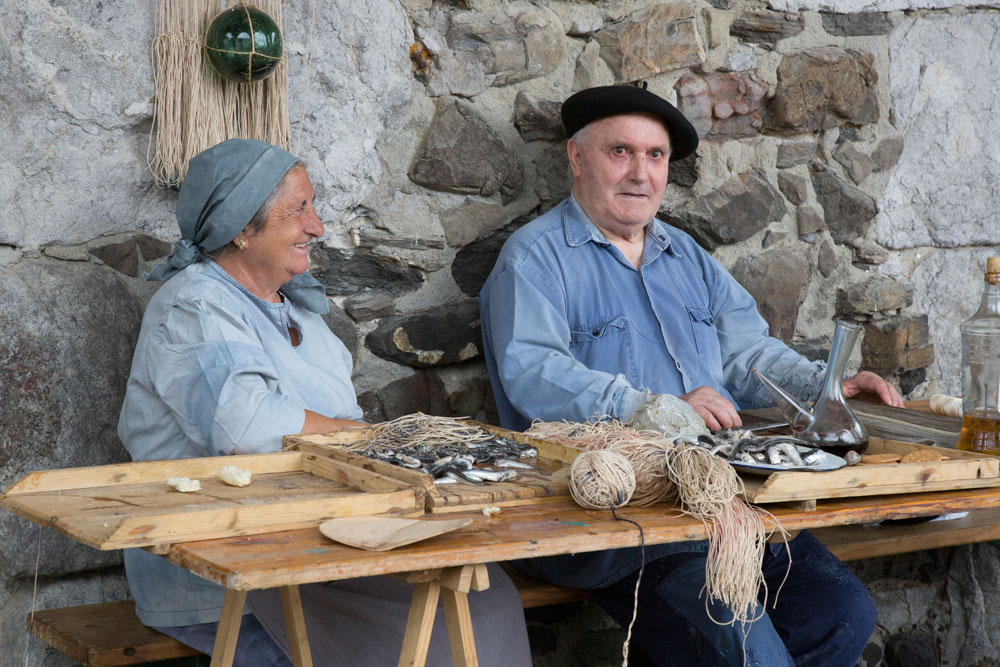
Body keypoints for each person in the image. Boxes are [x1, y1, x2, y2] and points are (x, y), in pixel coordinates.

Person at [479, 86, 902, 666]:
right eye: (620, 152)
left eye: (655, 156)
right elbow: (534, 374)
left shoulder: (685, 255)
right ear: (577, 159)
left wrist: (824, 387)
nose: (641, 173)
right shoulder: (535, 259)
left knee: (840, 614)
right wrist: (657, 406)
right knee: (750, 657)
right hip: (627, 528)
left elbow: (746, 352)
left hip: (728, 506)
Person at [119, 139, 530, 666]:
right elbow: (247, 429)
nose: (316, 227)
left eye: (313, 208)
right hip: (222, 565)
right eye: (299, 210)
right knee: (453, 620)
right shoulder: (193, 307)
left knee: (479, 594)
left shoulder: (298, 311)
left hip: (312, 539)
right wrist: (377, 442)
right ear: (242, 228)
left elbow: (338, 424)